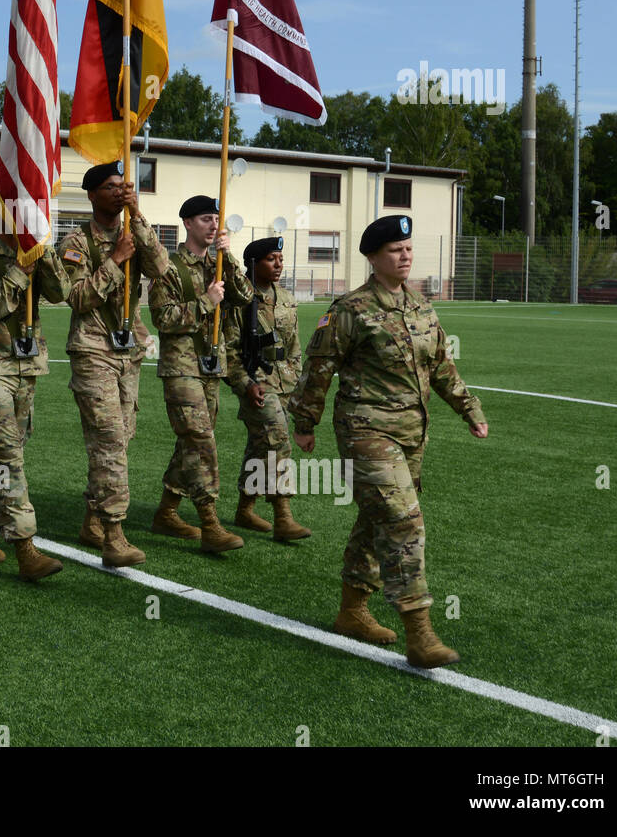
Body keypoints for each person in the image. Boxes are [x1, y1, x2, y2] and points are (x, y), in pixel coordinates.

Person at [288, 215, 489, 668]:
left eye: (409, 247)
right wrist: (305, 421)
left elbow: (441, 367)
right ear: (374, 257)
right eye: (396, 249)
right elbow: (320, 366)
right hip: (365, 430)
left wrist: (469, 409)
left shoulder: (420, 306)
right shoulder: (350, 310)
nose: (406, 255)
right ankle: (420, 633)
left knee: (376, 517)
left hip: (411, 434)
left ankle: (351, 609)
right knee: (402, 522)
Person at [58, 160, 170, 567]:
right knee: (108, 442)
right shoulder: (76, 241)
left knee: (121, 439)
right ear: (91, 194)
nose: (118, 193)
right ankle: (114, 532)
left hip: (129, 351)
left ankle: (92, 518)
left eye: (123, 186)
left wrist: (138, 215)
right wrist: (114, 261)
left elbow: (163, 272)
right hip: (93, 351)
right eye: (110, 187)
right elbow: (76, 298)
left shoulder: (132, 232)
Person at [0, 219, 69, 581]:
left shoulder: (35, 249)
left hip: (26, 365)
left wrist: (44, 255)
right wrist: (19, 272)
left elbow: (60, 292)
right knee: (8, 454)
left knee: (0, 456)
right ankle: (25, 547)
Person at [147, 196, 253, 554]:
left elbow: (245, 296)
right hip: (181, 368)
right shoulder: (170, 268)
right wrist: (206, 301)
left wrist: (231, 259)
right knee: (201, 441)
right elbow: (163, 318)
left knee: (190, 443)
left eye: (216, 220)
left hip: (210, 366)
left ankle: (166, 511)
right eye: (206, 219)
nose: (213, 225)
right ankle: (210, 522)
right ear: (188, 223)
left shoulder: (219, 264)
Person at [222, 235, 312, 541]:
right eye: (271, 259)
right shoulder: (240, 300)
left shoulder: (286, 298)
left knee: (260, 444)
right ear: (253, 263)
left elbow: (294, 345)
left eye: (281, 259)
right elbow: (229, 349)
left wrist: (296, 378)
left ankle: (245, 509)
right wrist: (245, 384)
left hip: (284, 380)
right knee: (277, 441)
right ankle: (283, 515)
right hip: (254, 380)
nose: (278, 264)